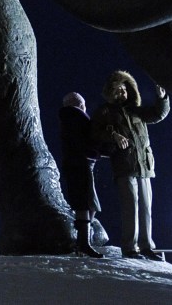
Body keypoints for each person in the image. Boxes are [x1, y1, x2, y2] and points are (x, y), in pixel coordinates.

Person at [92, 69, 170, 261]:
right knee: (130, 208)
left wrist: (163, 98)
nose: (122, 93)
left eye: (124, 90)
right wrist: (112, 135)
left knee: (146, 208)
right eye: (117, 90)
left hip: (144, 166)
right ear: (111, 92)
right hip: (124, 166)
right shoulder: (104, 111)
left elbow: (158, 114)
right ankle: (130, 248)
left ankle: (146, 247)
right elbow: (94, 133)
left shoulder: (138, 110)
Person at [58, 91, 104, 258]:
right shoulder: (77, 118)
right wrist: (99, 151)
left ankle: (82, 241)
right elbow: (86, 142)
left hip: (75, 164)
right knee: (85, 203)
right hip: (81, 164)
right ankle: (83, 243)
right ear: (80, 105)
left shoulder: (68, 119)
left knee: (88, 204)